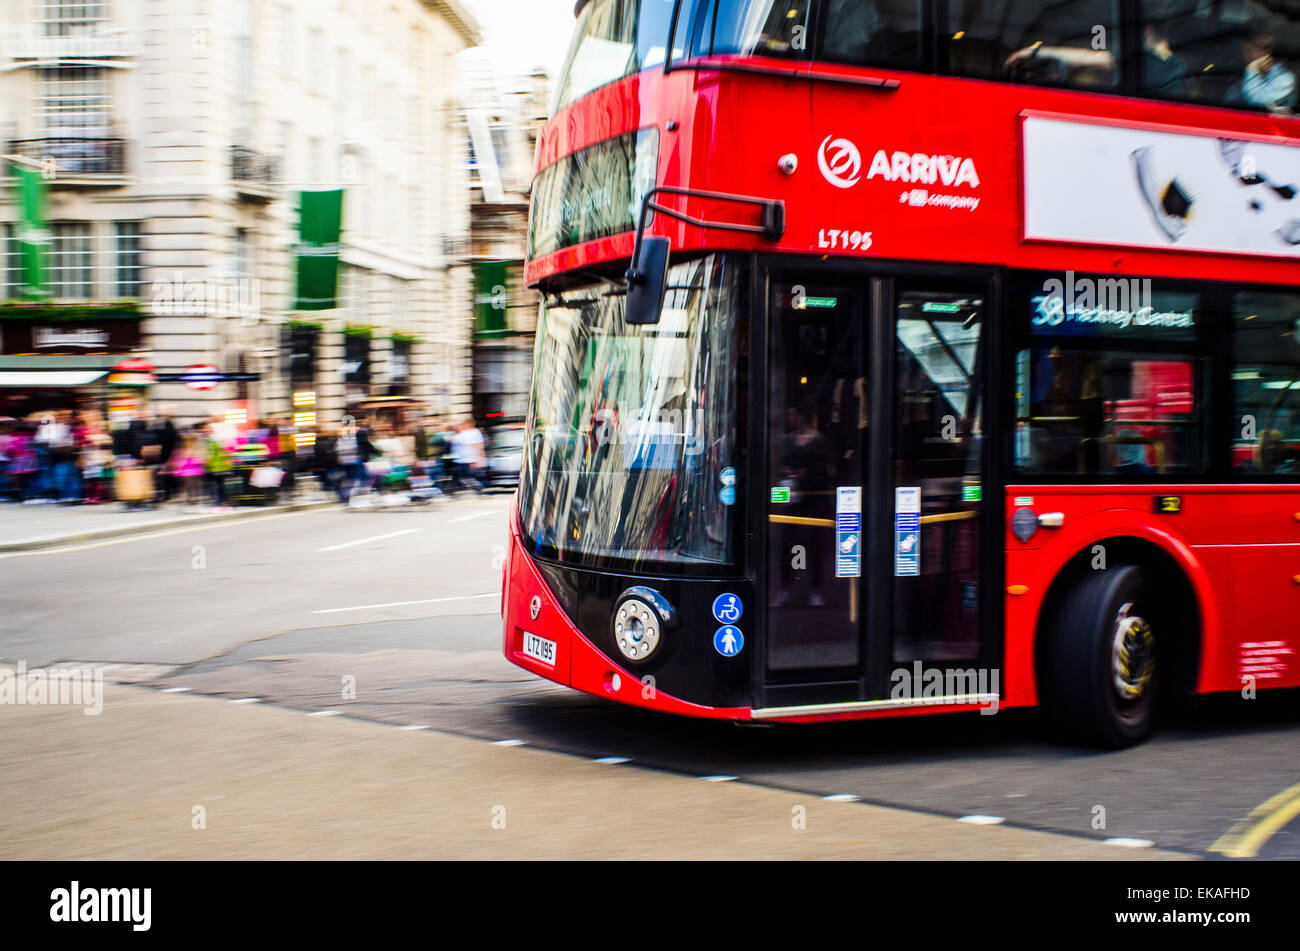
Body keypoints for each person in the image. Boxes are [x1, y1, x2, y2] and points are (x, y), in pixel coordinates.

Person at [1004, 16, 1186, 96]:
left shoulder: (1146, 63)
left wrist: (1035, 52)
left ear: (1147, 30)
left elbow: (1085, 57)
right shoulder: (1179, 66)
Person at [1227, 29, 1296, 113]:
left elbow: (1256, 100)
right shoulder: (1239, 79)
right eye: (1248, 50)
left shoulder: (1285, 78)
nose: (1253, 55)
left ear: (1269, 52)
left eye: (1261, 49)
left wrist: (1252, 70)